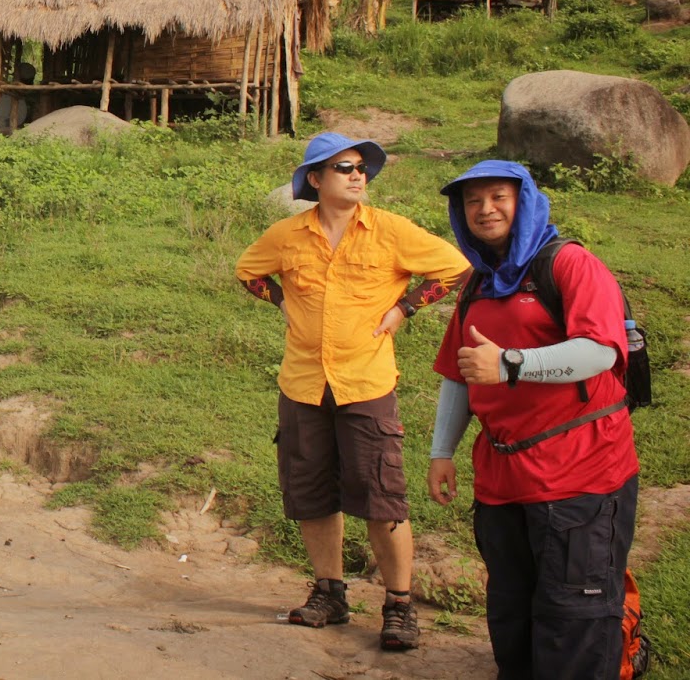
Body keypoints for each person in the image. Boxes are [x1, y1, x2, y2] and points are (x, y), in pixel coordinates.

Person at [235, 132, 471, 652]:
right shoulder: (287, 235)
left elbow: (456, 268)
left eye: (361, 167)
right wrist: (281, 302)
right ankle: (329, 593)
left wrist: (405, 307)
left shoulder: (390, 231)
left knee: (383, 499)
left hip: (366, 384)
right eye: (343, 167)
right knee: (312, 494)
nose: (356, 174)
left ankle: (399, 606)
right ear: (315, 180)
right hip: (302, 385)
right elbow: (247, 271)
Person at [428, 160, 638, 680]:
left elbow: (600, 353)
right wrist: (441, 451)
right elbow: (459, 373)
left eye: (498, 197)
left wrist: (511, 363)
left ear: (524, 201)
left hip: (580, 474)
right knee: (511, 610)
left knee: (575, 615)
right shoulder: (477, 282)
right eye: (472, 202)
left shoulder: (571, 265)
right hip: (503, 479)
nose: (484, 209)